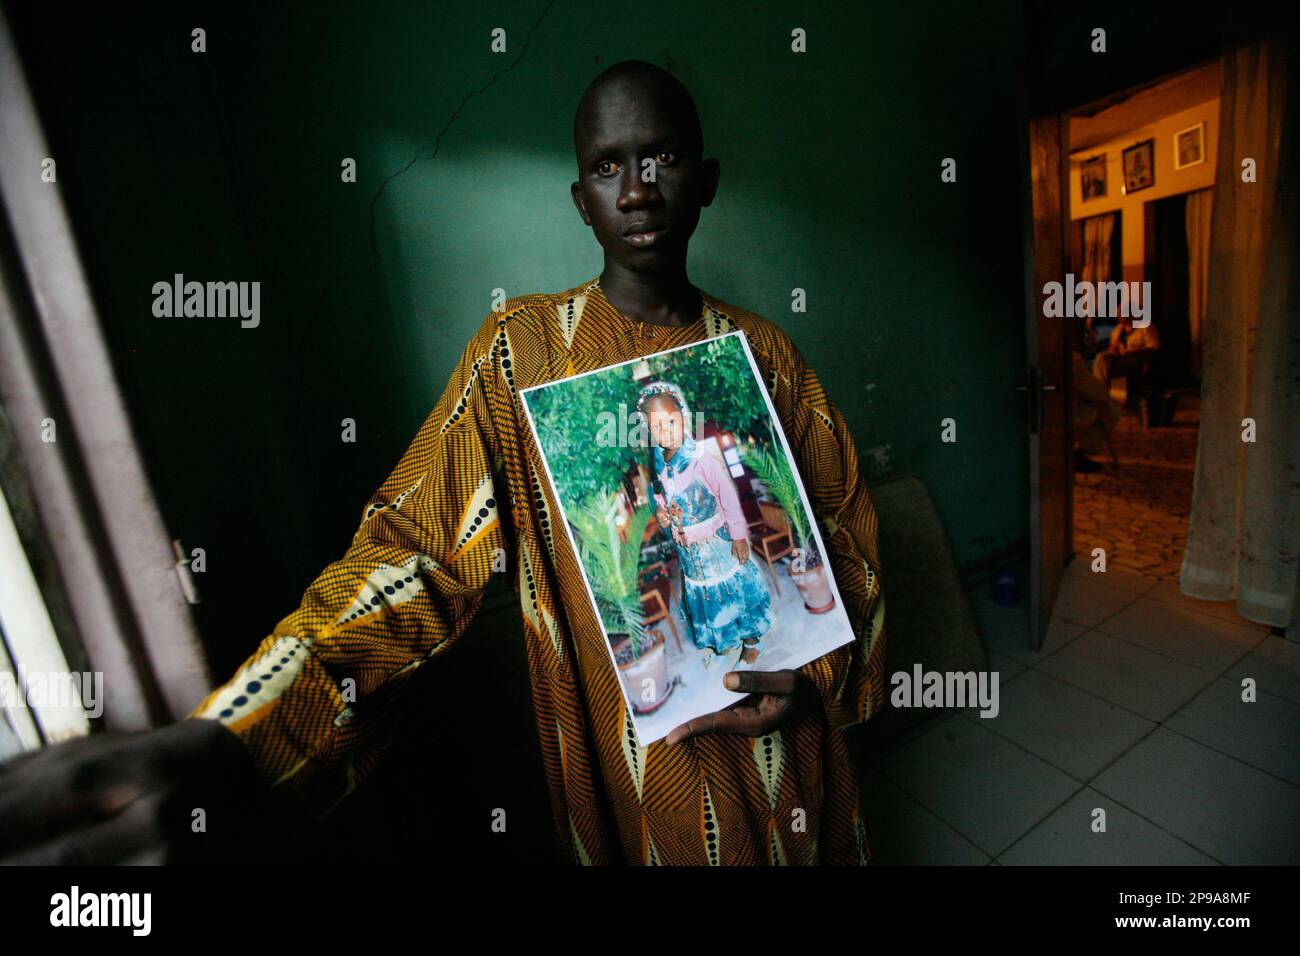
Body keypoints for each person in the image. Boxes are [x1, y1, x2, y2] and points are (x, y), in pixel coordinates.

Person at [0, 59, 887, 866]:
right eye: (610, 166)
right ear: (581, 199)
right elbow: (414, 552)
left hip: (793, 762)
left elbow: (846, 538)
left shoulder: (765, 356)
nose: (640, 190)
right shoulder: (518, 356)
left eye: (661, 159)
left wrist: (812, 673)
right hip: (642, 769)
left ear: (707, 183)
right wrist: (250, 735)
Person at [641, 382, 774, 672]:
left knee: (734, 595)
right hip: (691, 556)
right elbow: (665, 504)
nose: (665, 430)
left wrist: (739, 536)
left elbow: (728, 497)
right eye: (657, 426)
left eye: (671, 421)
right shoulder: (660, 469)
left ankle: (751, 644)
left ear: (684, 418)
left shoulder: (701, 460)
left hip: (718, 545)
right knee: (710, 602)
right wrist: (664, 516)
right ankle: (725, 640)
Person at [1092, 314, 1161, 390]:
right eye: (1117, 315)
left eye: (1120, 314)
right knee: (1100, 358)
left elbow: (1154, 347)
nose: (1117, 317)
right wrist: (1113, 349)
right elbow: (1112, 346)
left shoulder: (1145, 326)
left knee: (1105, 364)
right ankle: (1100, 390)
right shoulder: (1118, 329)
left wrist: (1131, 352)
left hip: (1137, 360)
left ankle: (1101, 392)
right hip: (1120, 358)